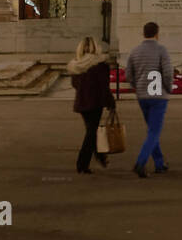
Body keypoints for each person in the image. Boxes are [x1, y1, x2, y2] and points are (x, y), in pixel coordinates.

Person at [125, 21, 173, 178]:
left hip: (142, 96)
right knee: (154, 131)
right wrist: (169, 88)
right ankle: (141, 162)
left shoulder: (135, 51)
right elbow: (167, 72)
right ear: (157, 34)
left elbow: (128, 75)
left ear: (143, 33)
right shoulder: (161, 50)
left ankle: (159, 163)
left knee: (152, 130)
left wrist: (137, 86)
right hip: (158, 95)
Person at [67, 36, 114, 174]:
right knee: (91, 133)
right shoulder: (100, 65)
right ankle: (83, 163)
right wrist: (110, 103)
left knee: (91, 131)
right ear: (95, 47)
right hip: (95, 103)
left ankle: (98, 156)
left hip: (82, 103)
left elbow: (74, 84)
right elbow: (104, 86)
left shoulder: (76, 65)